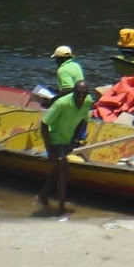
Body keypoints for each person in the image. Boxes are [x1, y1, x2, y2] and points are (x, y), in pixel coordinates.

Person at [38, 79, 95, 216]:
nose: (81, 96)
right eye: (79, 93)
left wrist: (75, 140)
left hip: (67, 139)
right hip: (55, 138)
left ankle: (42, 196)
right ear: (74, 91)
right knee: (64, 172)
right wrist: (50, 150)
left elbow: (83, 121)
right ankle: (61, 208)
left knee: (57, 170)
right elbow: (44, 124)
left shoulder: (87, 101)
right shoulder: (62, 103)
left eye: (84, 93)